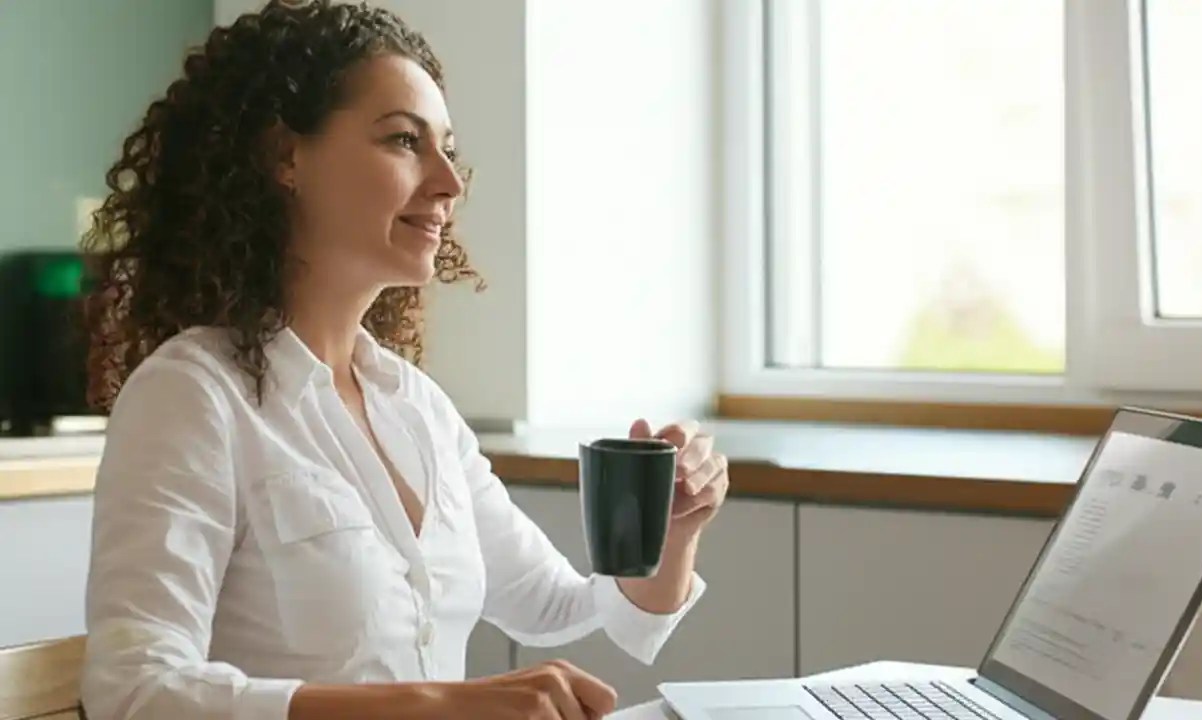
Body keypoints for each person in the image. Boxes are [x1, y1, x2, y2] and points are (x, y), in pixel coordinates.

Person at [77, 2, 730, 719]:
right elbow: (132, 692)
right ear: (285, 157)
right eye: (403, 141)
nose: (450, 182)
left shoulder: (415, 406)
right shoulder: (191, 395)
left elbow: (558, 604)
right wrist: (437, 705)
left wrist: (672, 534)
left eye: (448, 148)